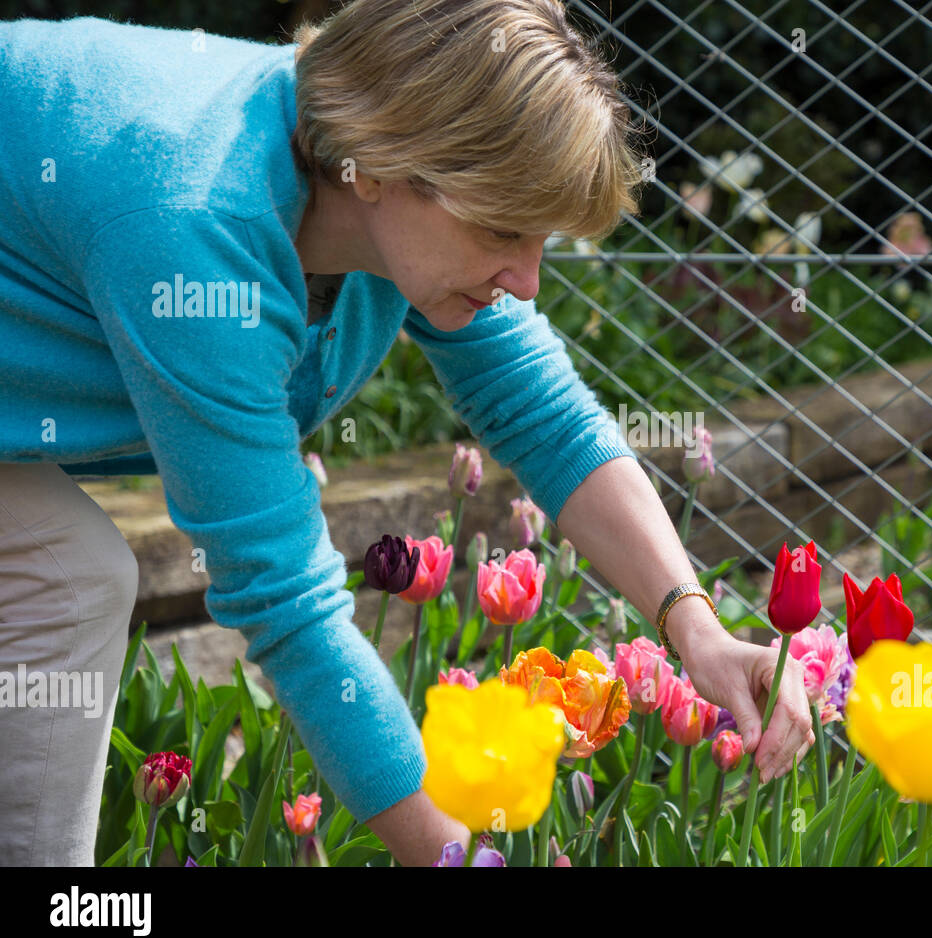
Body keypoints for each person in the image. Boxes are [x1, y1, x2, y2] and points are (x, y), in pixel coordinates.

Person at [0, 0, 814, 867]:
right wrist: (458, 857)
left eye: (539, 239)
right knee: (70, 575)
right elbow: (284, 599)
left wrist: (698, 630)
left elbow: (547, 417)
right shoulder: (195, 221)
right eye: (503, 228)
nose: (530, 282)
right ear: (382, 165)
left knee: (65, 576)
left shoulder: (378, 202)